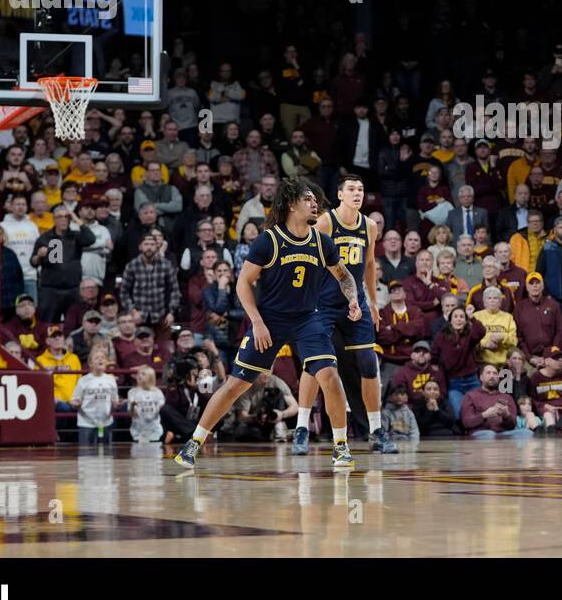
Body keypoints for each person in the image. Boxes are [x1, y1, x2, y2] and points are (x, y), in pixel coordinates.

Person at [174, 178, 363, 471]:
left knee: (330, 375)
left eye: (316, 200)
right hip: (270, 319)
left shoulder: (322, 241)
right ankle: (194, 442)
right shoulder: (269, 240)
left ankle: (340, 447)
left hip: (307, 318)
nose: (315, 204)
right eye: (308, 199)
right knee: (236, 384)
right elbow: (243, 284)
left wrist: (352, 299)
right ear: (291, 204)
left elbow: (344, 275)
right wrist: (257, 322)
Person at [292, 174, 395, 455]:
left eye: (361, 189)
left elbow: (370, 264)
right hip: (323, 304)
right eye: (351, 189)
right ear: (340, 195)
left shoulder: (370, 226)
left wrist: (373, 302)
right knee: (314, 363)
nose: (357, 193)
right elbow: (311, 259)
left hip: (356, 302)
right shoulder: (326, 222)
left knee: (368, 362)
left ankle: (376, 430)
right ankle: (301, 428)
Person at [460, 364, 531, 439]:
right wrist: (484, 415)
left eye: (495, 373)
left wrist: (506, 416)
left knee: (526, 433)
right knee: (490, 434)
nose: (492, 376)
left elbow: (512, 425)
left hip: (503, 433)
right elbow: (466, 422)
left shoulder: (507, 397)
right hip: (481, 433)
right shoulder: (470, 396)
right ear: (481, 377)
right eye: (488, 373)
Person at [71, 348, 122, 447]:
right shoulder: (83, 380)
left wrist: (118, 403)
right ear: (90, 363)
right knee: (86, 455)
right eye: (97, 358)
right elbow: (75, 399)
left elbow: (114, 401)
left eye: (102, 358)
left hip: (106, 422)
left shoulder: (111, 380)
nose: (100, 360)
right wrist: (75, 403)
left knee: (106, 454)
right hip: (86, 422)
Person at [128, 366, 166, 443]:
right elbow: (131, 414)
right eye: (138, 374)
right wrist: (132, 405)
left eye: (143, 374)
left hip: (155, 432)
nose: (139, 375)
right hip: (138, 432)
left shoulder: (157, 392)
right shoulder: (132, 392)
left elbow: (160, 410)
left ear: (151, 377)